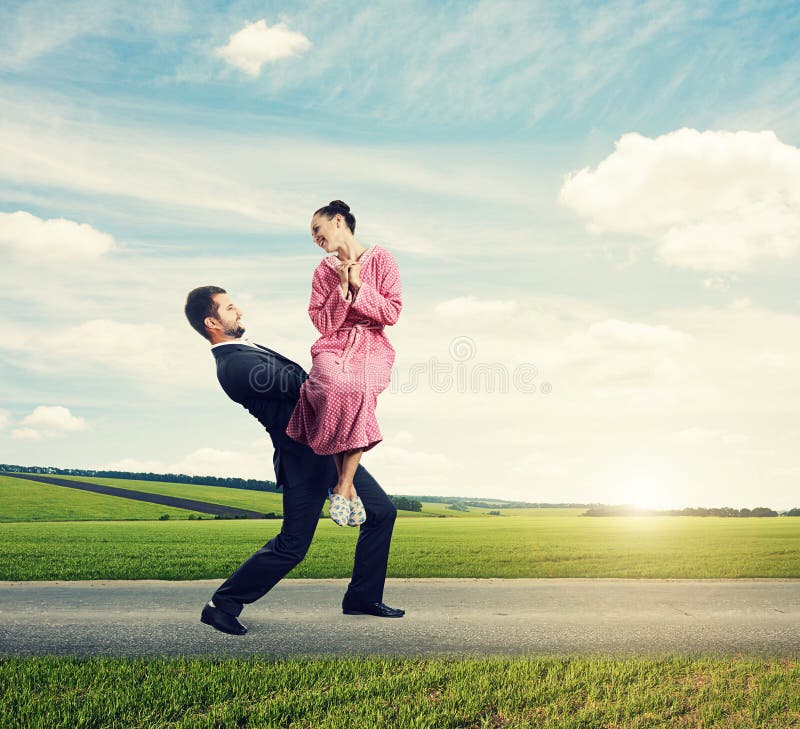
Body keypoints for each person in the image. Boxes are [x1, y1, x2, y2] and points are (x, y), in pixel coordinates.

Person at [184, 285, 405, 636]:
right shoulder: (236, 365)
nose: (238, 310)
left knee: (381, 513)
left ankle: (362, 598)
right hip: (303, 460)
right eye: (229, 308)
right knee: (292, 546)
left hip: (328, 450)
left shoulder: (247, 351)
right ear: (212, 321)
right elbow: (307, 385)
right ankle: (220, 605)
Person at [286, 200, 402, 529]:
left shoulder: (383, 260)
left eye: (316, 230)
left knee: (360, 390)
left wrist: (359, 285)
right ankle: (348, 489)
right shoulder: (323, 272)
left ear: (338, 221)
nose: (314, 238)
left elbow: (392, 313)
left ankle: (341, 487)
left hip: (372, 345)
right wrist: (340, 288)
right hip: (333, 344)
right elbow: (322, 323)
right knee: (333, 386)